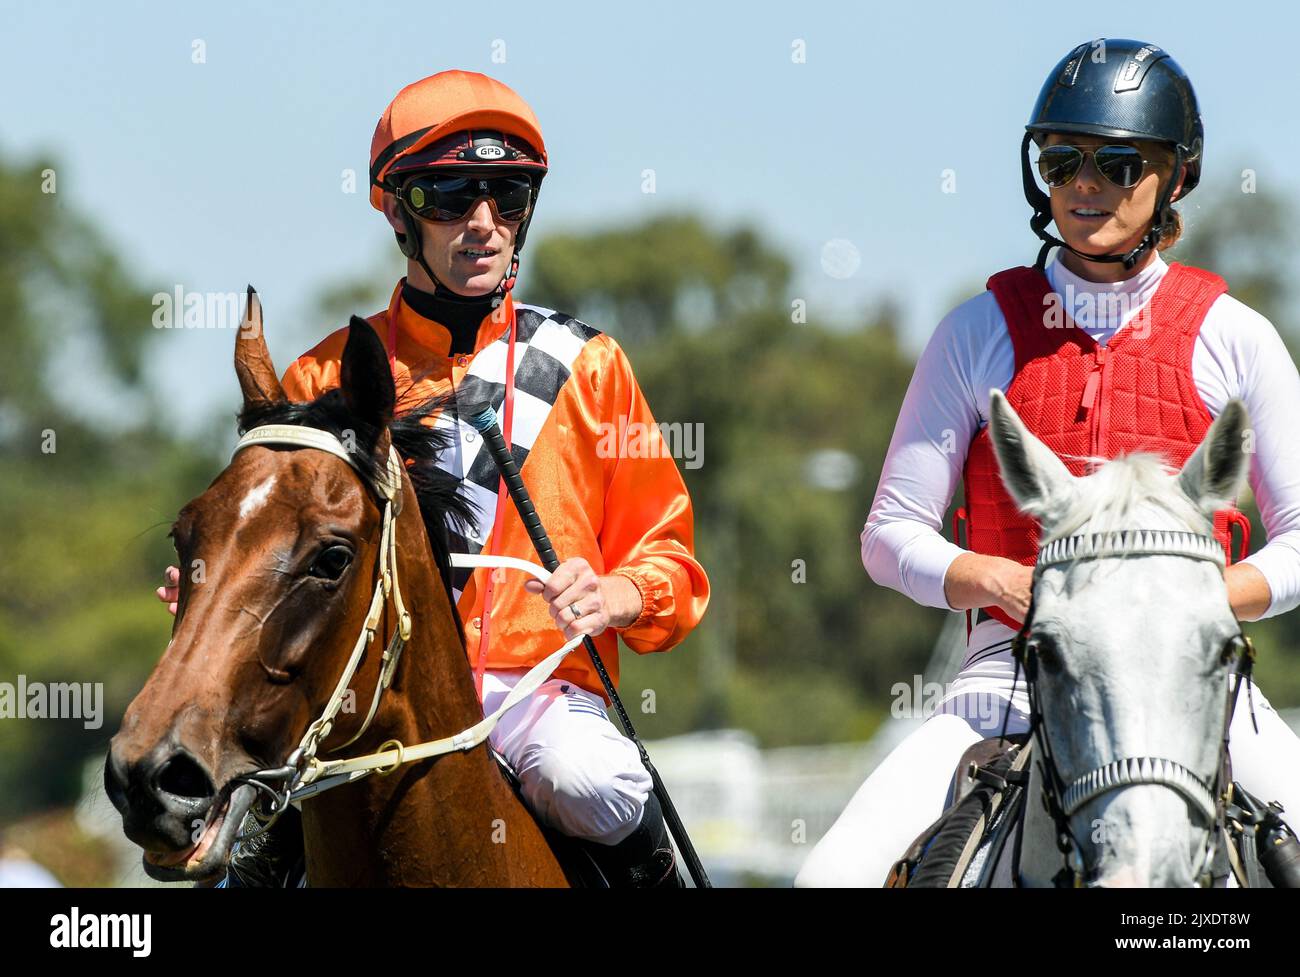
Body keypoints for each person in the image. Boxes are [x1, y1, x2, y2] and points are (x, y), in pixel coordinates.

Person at [157, 70, 709, 887]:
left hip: (539, 693)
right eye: (450, 195)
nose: (483, 223)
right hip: (365, 701)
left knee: (594, 781)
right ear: (396, 210)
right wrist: (224, 584)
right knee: (252, 839)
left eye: (508, 196)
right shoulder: (324, 377)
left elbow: (670, 558)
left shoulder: (591, 366)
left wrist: (619, 594)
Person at [796, 38, 1300, 887]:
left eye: (1116, 162)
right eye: (1061, 159)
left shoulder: (1237, 336)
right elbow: (888, 535)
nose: (1084, 182)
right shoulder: (973, 331)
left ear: (1175, 176)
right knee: (830, 875)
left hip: (1197, 683)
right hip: (1012, 672)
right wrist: (994, 579)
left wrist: (1197, 598)